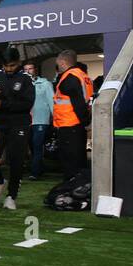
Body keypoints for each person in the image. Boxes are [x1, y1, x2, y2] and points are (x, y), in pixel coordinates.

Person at [0, 48, 35, 210]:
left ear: (19, 63)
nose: (8, 69)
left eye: (12, 66)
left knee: (16, 160)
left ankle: (11, 196)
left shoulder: (26, 79)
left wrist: (4, 103)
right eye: (6, 66)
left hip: (19, 124)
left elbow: (27, 104)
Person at [52, 49, 93, 180]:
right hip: (77, 125)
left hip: (69, 125)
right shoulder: (83, 76)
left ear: (63, 63)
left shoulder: (69, 78)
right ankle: (78, 186)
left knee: (71, 162)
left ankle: (71, 188)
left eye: (58, 64)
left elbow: (78, 104)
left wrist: (84, 121)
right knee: (79, 159)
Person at [26, 60, 54, 179]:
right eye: (25, 69)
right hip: (27, 120)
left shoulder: (45, 84)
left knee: (37, 146)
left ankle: (35, 173)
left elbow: (52, 101)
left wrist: (56, 119)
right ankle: (39, 169)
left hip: (41, 119)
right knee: (32, 147)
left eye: (30, 69)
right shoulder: (22, 84)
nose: (28, 71)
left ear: (35, 70)